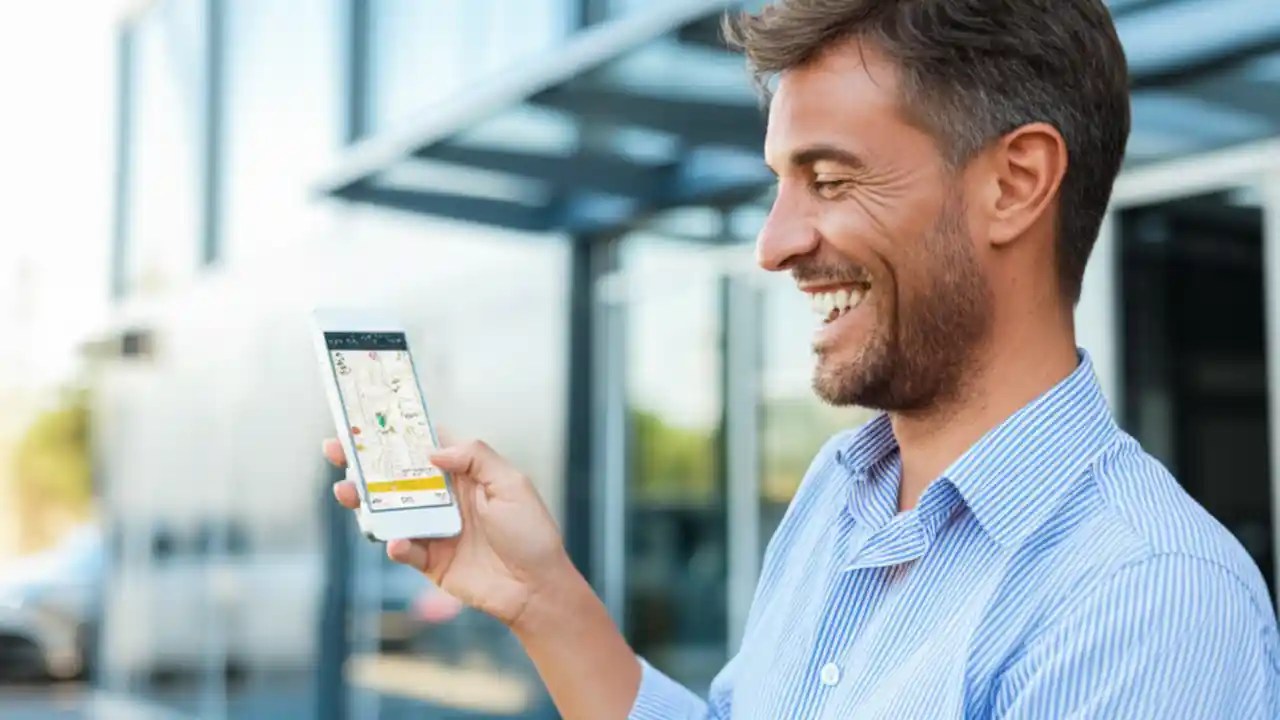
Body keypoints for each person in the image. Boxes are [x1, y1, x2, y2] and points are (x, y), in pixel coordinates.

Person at [326, 1, 1280, 717]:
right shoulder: (842, 492)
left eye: (829, 179)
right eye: (781, 185)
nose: (774, 244)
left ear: (1014, 184)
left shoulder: (1149, 601)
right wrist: (546, 604)